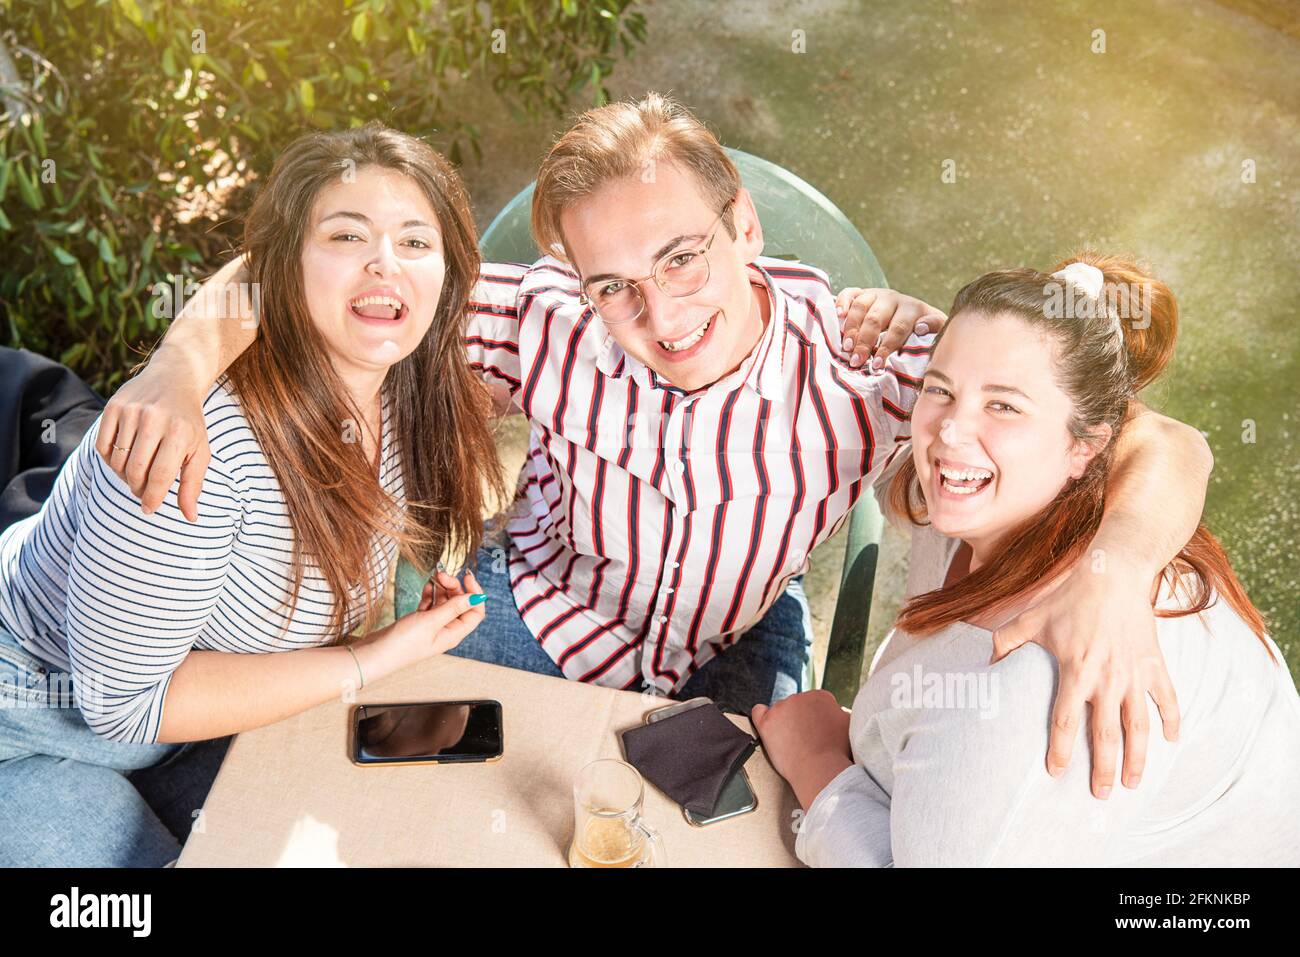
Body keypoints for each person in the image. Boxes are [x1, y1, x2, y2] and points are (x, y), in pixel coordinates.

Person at [104, 93, 1212, 794]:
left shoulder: (867, 357)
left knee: (724, 845)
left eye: (682, 259)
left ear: (744, 230)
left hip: (730, 657)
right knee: (378, 778)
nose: (658, 315)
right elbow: (298, 280)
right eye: (614, 286)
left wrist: (1113, 573)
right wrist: (176, 369)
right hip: (516, 625)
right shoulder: (545, 318)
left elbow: (1153, 438)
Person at [0, 124, 499, 866]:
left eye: (415, 243)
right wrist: (370, 657)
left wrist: (379, 626)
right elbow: (124, 704)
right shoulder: (189, 450)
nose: (383, 264)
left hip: (191, 726)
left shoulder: (406, 400)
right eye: (345, 235)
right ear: (282, 270)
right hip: (34, 730)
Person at [753, 254, 1300, 866]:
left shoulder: (1050, 676)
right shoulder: (973, 495)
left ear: (1088, 446)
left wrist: (818, 764)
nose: (951, 434)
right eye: (941, 389)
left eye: (1005, 406)